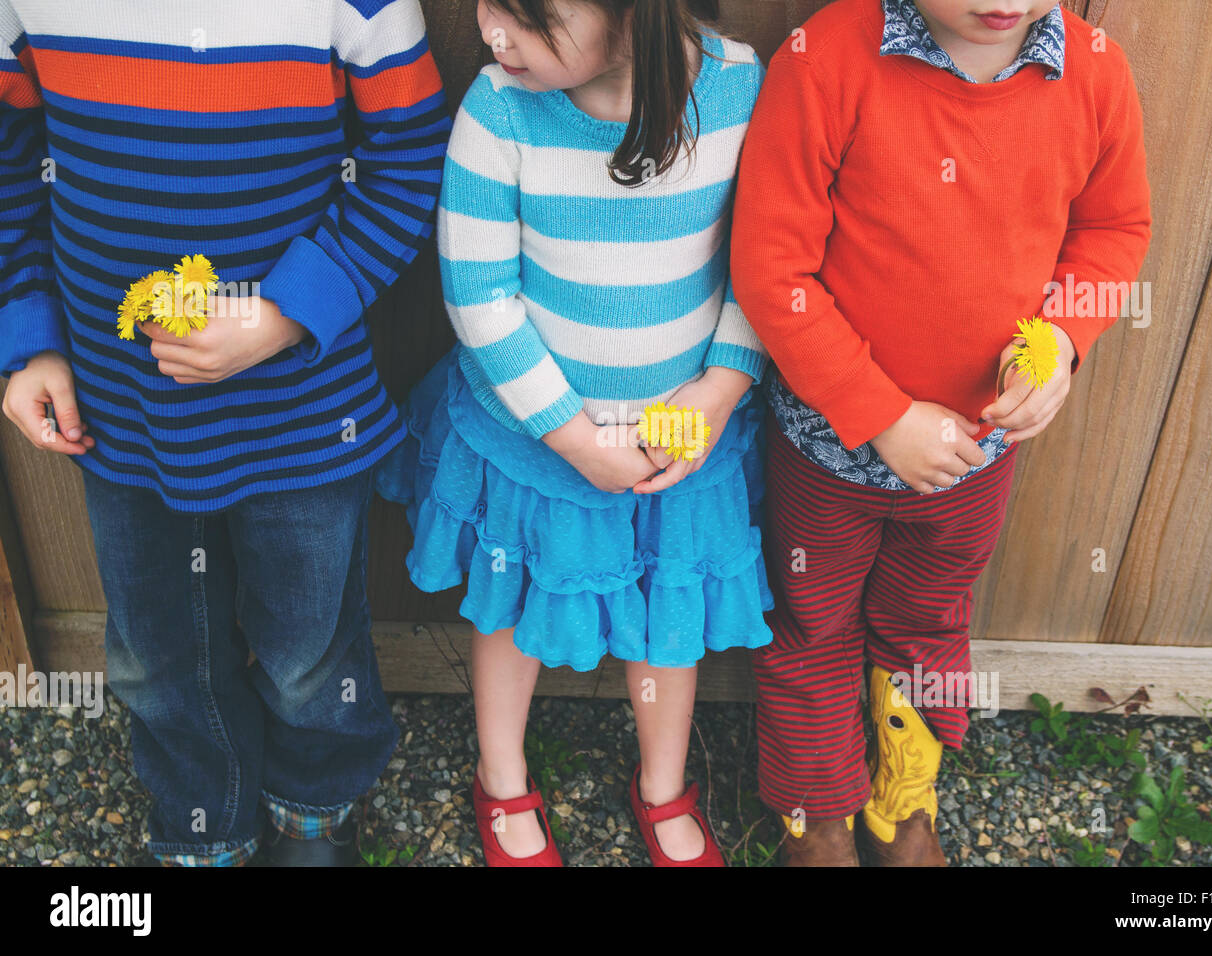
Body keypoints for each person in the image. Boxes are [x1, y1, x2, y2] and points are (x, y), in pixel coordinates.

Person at [0, 0, 449, 865]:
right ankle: (203, 820)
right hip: (117, 402)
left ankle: (314, 810)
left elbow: (408, 153)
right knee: (154, 646)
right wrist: (28, 334)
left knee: (308, 644)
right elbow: (13, 156)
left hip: (302, 403)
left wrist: (287, 312)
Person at [730, 0, 1151, 865]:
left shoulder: (1095, 72)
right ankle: (819, 816)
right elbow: (772, 266)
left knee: (926, 622)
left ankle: (902, 799)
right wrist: (881, 416)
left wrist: (1061, 342)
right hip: (827, 450)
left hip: (976, 456)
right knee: (810, 623)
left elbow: (1112, 231)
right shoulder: (827, 59)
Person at [376, 0, 771, 866]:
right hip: (534, 433)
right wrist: (571, 437)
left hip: (678, 430)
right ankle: (503, 772)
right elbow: (478, 292)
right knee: (510, 606)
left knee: (667, 608)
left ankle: (663, 783)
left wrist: (720, 387)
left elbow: (767, 257)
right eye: (489, 5)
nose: (492, 31)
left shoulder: (739, 90)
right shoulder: (500, 107)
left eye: (529, 17)